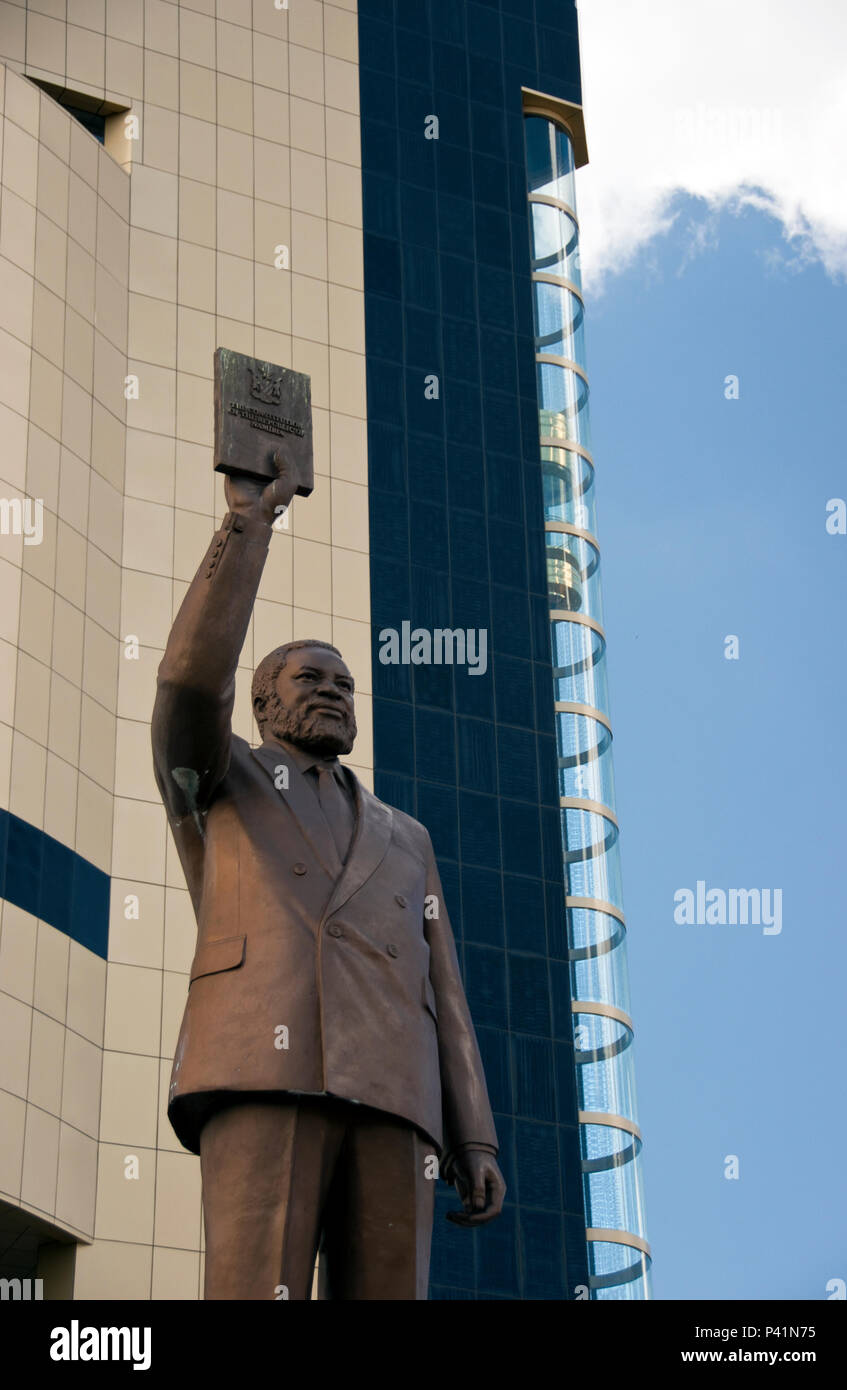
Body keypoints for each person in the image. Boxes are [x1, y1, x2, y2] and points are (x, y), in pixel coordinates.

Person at [151, 448, 505, 1299]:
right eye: (311, 679)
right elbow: (190, 682)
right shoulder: (221, 778)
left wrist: (476, 1138)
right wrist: (249, 521)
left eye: (346, 685)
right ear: (265, 702)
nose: (335, 694)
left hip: (396, 1095)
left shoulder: (406, 835)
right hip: (261, 1066)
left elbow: (445, 994)